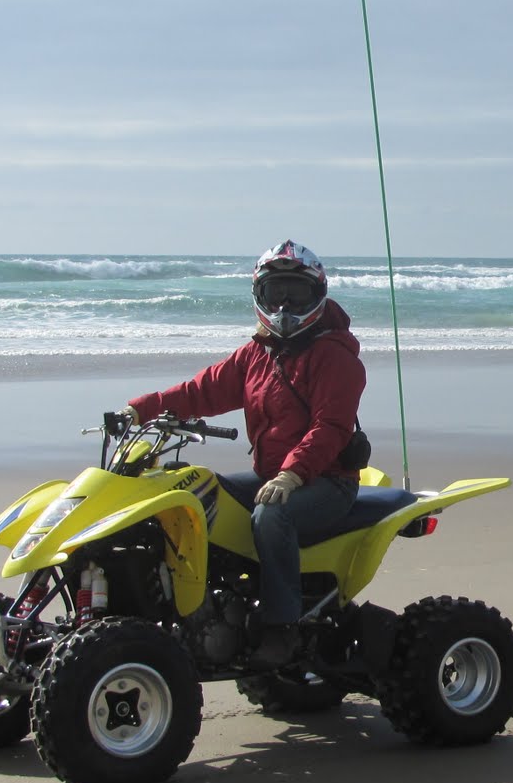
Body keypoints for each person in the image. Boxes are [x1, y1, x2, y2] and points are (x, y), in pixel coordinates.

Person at [120, 240, 366, 668]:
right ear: (260, 295)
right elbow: (200, 391)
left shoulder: (334, 356)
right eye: (276, 292)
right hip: (274, 476)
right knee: (191, 494)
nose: (286, 303)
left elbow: (331, 427)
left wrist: (292, 475)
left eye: (297, 292)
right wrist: (140, 409)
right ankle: (210, 604)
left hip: (326, 481)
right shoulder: (257, 353)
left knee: (272, 516)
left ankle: (282, 626)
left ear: (318, 294)